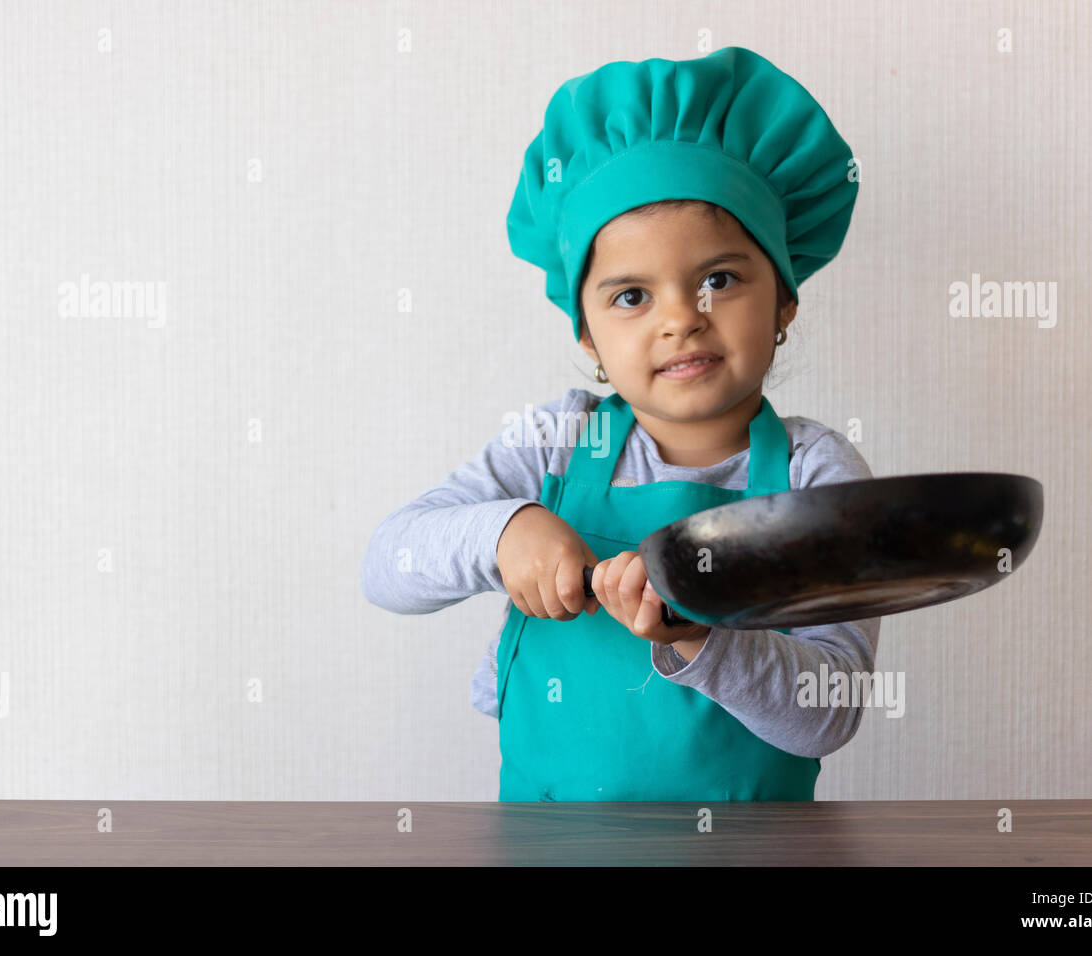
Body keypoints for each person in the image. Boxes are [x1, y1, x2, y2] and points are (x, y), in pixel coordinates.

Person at [362, 46, 879, 801]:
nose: (680, 318)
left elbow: (831, 711)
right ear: (586, 335)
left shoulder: (815, 473)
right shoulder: (556, 442)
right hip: (547, 845)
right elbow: (388, 565)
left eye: (719, 280)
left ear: (785, 301)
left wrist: (704, 634)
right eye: (631, 296)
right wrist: (506, 532)